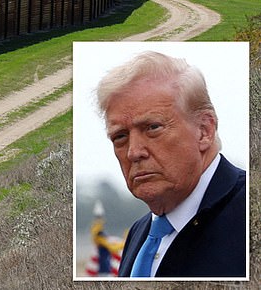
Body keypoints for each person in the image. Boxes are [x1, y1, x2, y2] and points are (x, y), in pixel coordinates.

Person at [95, 50, 246, 278]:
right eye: (120, 137)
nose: (134, 152)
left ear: (204, 131)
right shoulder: (140, 233)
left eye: (153, 128)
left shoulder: (247, 212)